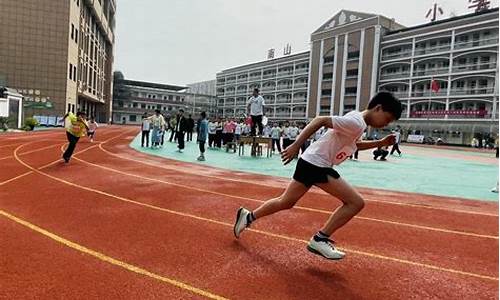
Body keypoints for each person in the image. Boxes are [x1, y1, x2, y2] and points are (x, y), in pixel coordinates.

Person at [233, 92, 402, 260]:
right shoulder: (356, 122)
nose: (385, 124)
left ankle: (247, 217)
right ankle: (319, 239)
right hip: (316, 164)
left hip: (312, 162)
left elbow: (354, 145)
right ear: (378, 108)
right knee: (355, 202)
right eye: (387, 119)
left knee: (285, 201)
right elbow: (320, 120)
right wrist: (296, 145)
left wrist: (380, 143)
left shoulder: (358, 120)